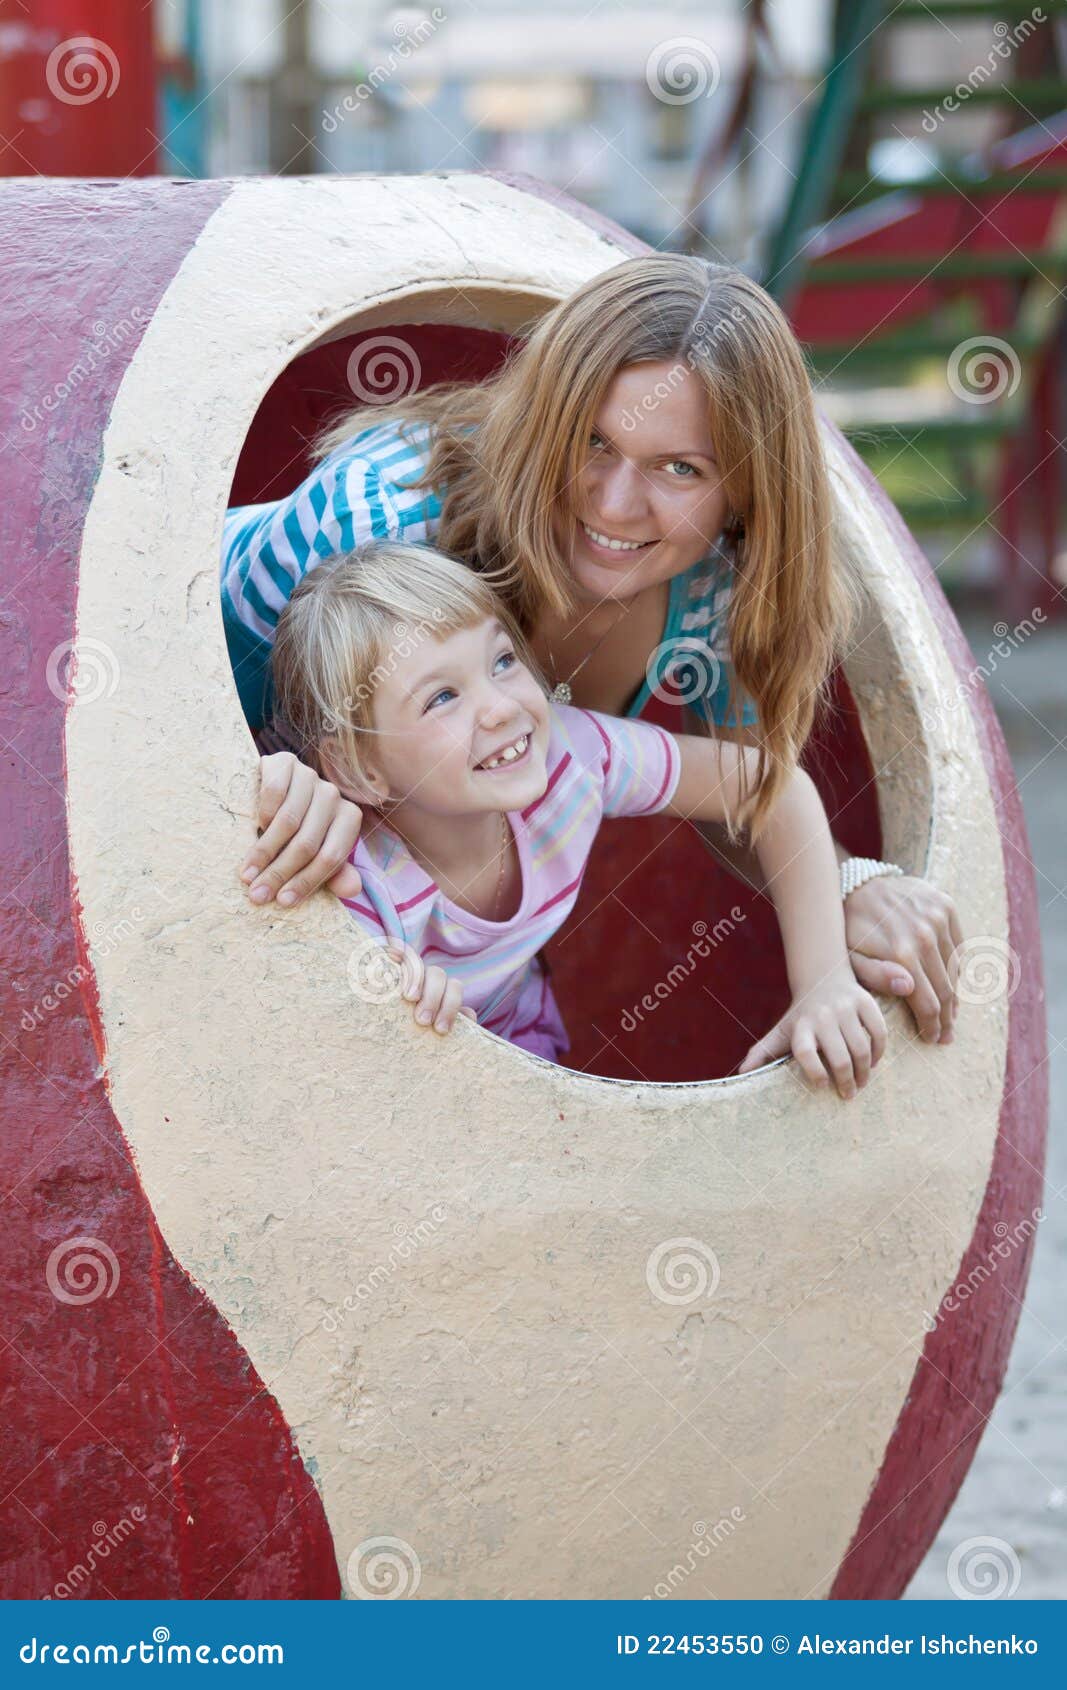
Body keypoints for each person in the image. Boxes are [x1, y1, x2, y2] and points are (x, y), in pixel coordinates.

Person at [226, 255, 961, 1046]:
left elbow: (747, 795)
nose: (614, 504)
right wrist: (248, 776)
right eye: (591, 441)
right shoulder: (368, 530)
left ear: (745, 490)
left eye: (680, 468)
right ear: (544, 417)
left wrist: (849, 883)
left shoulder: (716, 584)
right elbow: (157, 705)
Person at [271, 542, 887, 1099]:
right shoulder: (357, 888)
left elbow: (766, 789)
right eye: (442, 698)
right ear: (359, 770)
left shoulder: (574, 759)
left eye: (503, 661)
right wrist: (386, 1028)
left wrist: (822, 980)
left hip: (530, 1055)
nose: (500, 707)